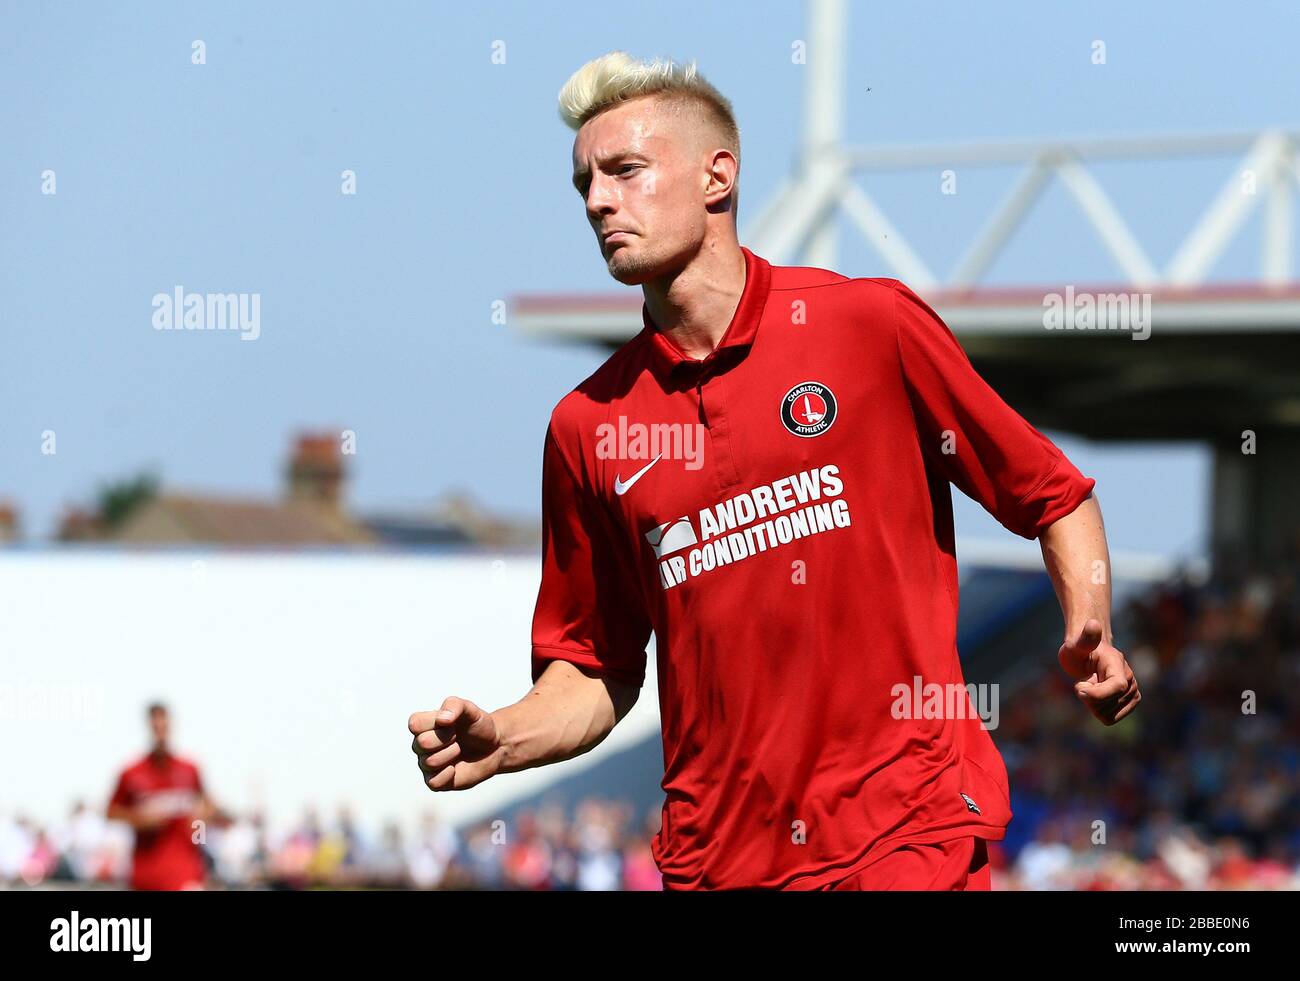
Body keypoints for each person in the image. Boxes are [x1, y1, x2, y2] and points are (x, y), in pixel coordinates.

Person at [410, 51, 1140, 890]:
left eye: (625, 171)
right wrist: (504, 737)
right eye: (584, 184)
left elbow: (1052, 495)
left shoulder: (869, 325)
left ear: (718, 175)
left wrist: (1092, 623)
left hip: (910, 833)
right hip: (720, 863)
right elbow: (598, 668)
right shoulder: (587, 426)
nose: (599, 201)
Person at [107, 702, 228, 890]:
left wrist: (198, 829)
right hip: (147, 871)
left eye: (164, 723)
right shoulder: (132, 772)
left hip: (185, 869)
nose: (160, 729)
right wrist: (140, 819)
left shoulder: (189, 769)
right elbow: (111, 812)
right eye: (156, 723)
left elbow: (208, 808)